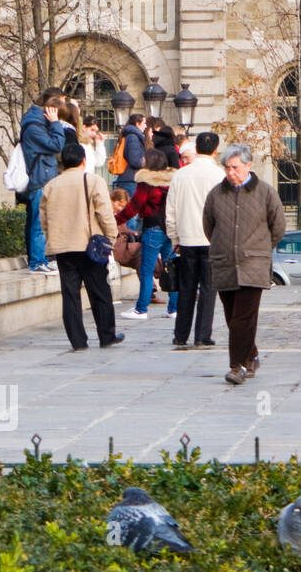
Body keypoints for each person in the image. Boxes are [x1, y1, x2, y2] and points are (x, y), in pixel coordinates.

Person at [203, 143, 285, 383]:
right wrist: (223, 246)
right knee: (232, 318)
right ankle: (252, 357)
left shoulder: (266, 192)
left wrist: (259, 248)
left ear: (248, 165)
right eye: (227, 168)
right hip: (225, 263)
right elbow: (209, 226)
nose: (231, 173)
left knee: (243, 318)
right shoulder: (216, 194)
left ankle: (237, 366)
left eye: (235, 167)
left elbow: (278, 226)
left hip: (254, 265)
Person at [39, 142, 122, 350]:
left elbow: (44, 219)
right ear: (84, 160)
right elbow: (105, 212)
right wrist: (111, 237)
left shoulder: (51, 185)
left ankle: (77, 340)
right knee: (100, 291)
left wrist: (53, 238)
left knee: (70, 295)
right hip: (88, 245)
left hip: (62, 247)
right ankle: (106, 335)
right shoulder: (93, 180)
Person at [165, 130, 225, 348]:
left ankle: (181, 335)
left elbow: (170, 211)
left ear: (197, 148)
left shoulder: (180, 175)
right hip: (212, 241)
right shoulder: (219, 176)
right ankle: (202, 335)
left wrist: (174, 237)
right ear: (215, 150)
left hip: (187, 240)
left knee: (186, 289)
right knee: (209, 290)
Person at [114, 149, 175, 321]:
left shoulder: (146, 183)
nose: (141, 159)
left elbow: (134, 206)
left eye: (144, 158)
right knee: (170, 267)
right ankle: (174, 308)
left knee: (146, 270)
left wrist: (117, 220)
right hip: (169, 228)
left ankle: (141, 309)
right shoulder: (171, 183)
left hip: (153, 228)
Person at [19, 89, 70, 276]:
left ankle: (41, 259)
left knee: (40, 222)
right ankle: (37, 261)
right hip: (39, 178)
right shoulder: (34, 126)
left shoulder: (38, 124)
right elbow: (57, 145)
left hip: (43, 176)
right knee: (38, 223)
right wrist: (55, 124)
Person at [113, 113, 147, 195]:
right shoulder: (133, 137)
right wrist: (146, 162)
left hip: (128, 178)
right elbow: (134, 160)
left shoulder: (129, 135)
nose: (146, 126)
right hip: (131, 179)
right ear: (137, 123)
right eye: (144, 123)